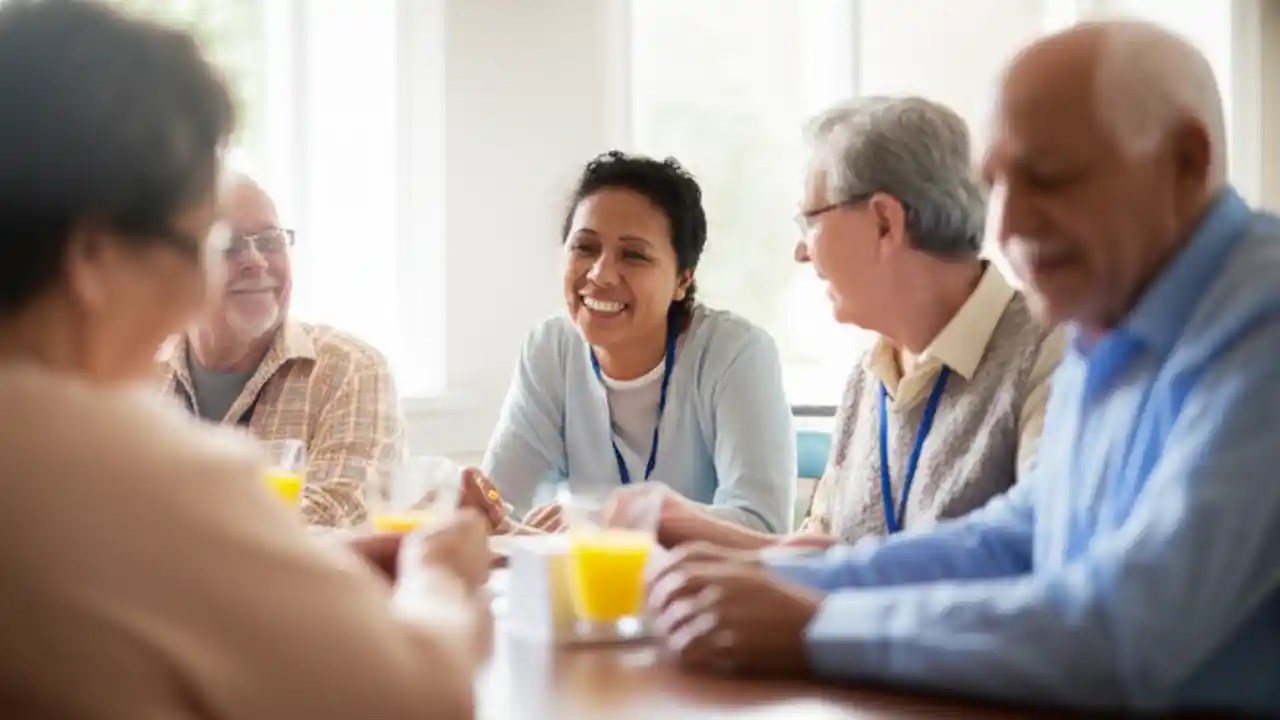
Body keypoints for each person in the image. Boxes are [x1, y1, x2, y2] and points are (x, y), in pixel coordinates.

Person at [645, 20, 1280, 715]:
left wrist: (815, 623)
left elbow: (1129, 632)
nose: (1007, 224)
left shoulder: (1260, 325)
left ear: (1185, 162)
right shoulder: (1111, 321)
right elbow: (1020, 535)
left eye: (1048, 177)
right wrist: (788, 576)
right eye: (995, 185)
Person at [0, 2, 487, 717]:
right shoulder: (127, 462)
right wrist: (440, 575)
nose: (214, 281)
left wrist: (280, 570)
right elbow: (420, 696)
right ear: (95, 257)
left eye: (270, 242)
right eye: (205, 244)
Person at [631, 97, 1062, 551]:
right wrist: (684, 534)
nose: (801, 252)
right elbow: (819, 554)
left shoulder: (1049, 356)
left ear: (883, 223)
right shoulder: (868, 378)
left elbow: (1035, 557)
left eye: (810, 221)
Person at [462, 151, 796, 543]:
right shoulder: (550, 349)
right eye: (585, 248)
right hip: (589, 592)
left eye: (633, 255)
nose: (600, 274)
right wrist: (477, 508)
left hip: (704, 594)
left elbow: (763, 529)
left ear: (682, 281)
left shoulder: (736, 353)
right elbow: (504, 510)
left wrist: (607, 518)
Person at [160, 172, 403, 528]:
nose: (257, 261)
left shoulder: (351, 369)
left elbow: (335, 517)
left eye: (271, 241)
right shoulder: (132, 376)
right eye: (229, 244)